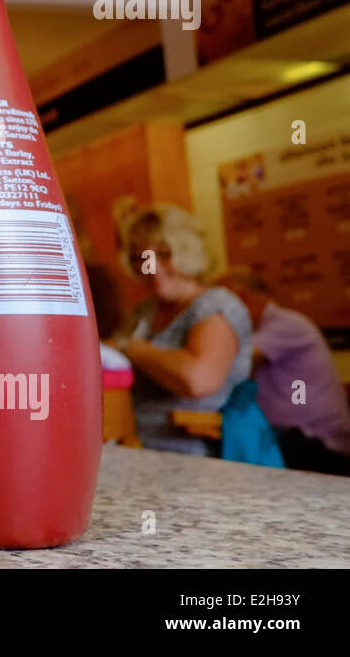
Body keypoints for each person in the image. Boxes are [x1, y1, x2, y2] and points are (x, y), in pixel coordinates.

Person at [111, 204, 252, 456]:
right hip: (134, 447)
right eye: (141, 258)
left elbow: (197, 380)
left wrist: (132, 348)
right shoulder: (145, 310)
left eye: (164, 254)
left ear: (189, 252)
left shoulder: (217, 304)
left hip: (191, 455)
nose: (152, 268)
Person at [215, 267, 350, 476]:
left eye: (221, 309)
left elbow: (229, 362)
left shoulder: (287, 324)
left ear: (243, 299)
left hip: (319, 442)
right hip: (292, 438)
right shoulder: (260, 330)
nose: (218, 318)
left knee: (235, 453)